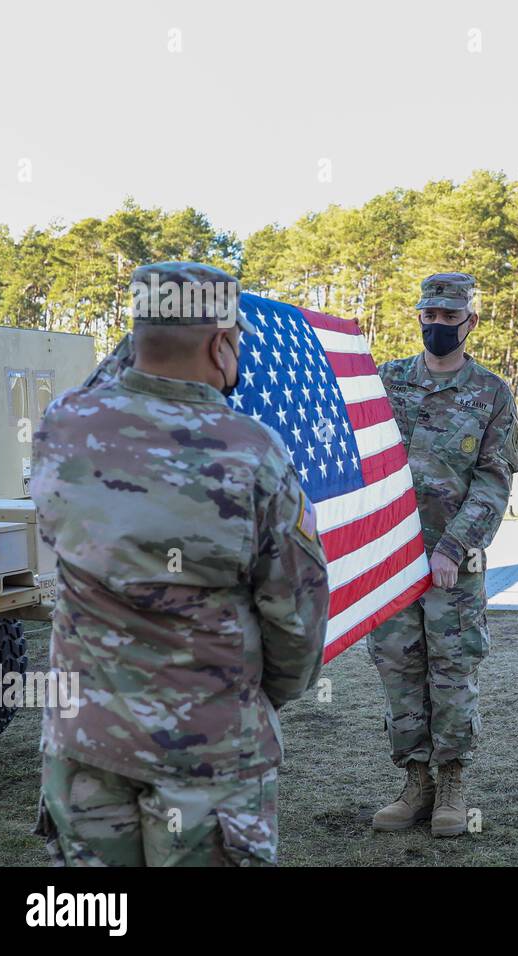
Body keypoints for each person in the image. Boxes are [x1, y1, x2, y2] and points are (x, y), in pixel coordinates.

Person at [30, 261, 329, 866]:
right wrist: (252, 696)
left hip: (85, 744)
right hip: (208, 754)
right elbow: (295, 614)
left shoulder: (64, 425)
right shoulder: (251, 451)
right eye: (237, 339)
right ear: (222, 344)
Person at [370, 272, 518, 837]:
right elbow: (362, 465)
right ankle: (415, 782)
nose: (436, 326)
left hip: (454, 563)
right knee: (398, 670)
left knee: (451, 672)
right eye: (428, 317)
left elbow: (493, 479)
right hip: (391, 559)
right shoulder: (386, 382)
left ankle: (453, 781)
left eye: (447, 318)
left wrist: (454, 546)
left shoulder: (491, 392)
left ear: (469, 323)